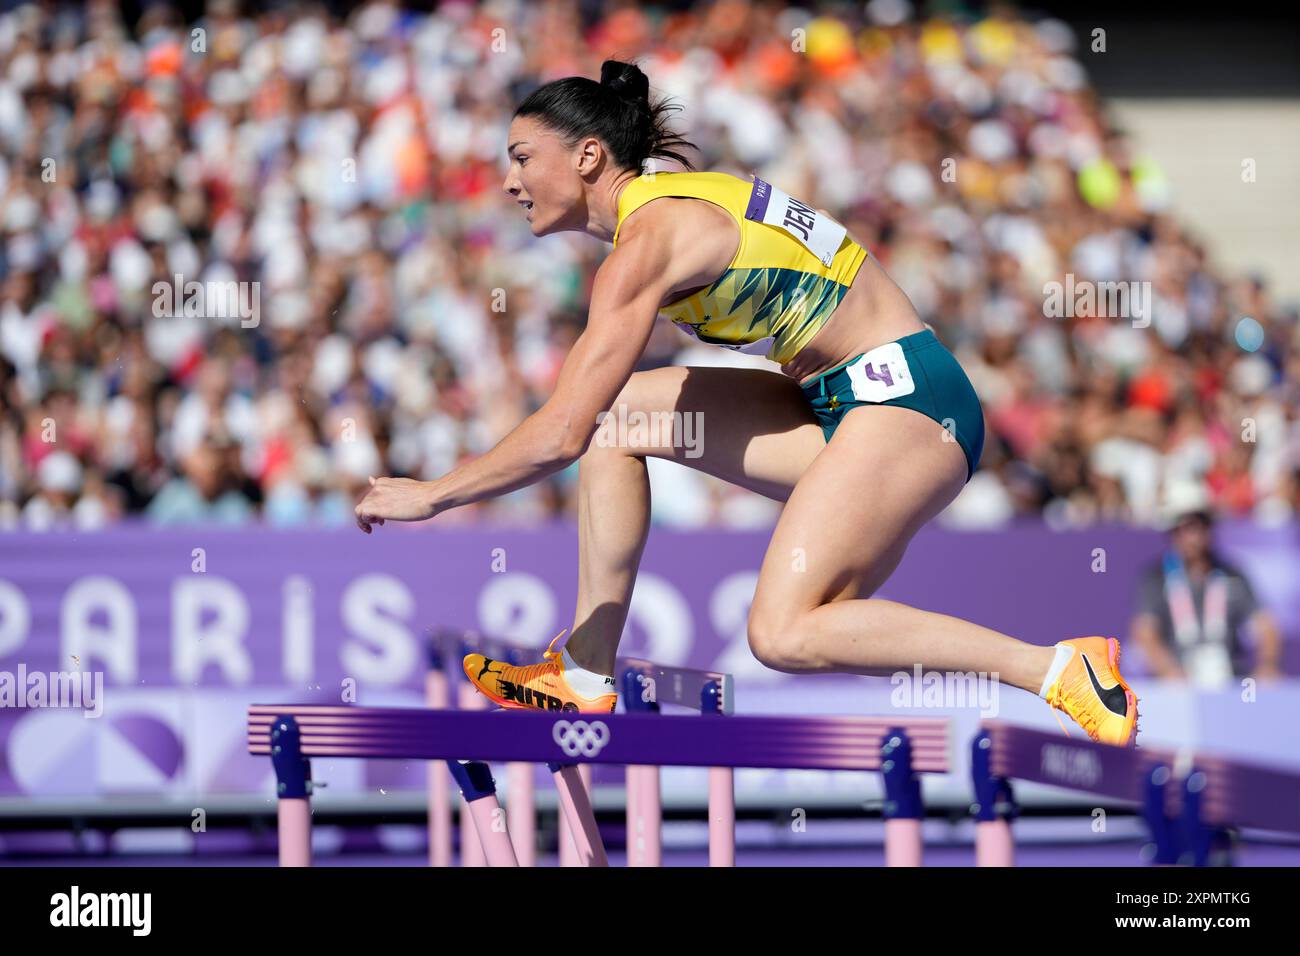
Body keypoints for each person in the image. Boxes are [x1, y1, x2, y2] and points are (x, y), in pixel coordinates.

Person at [354, 60, 1139, 746]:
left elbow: (557, 431)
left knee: (782, 632)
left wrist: (436, 494)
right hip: (841, 403)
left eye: (523, 157)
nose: (508, 181)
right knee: (617, 419)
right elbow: (585, 423)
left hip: (908, 402)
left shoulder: (648, 243)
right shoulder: (665, 210)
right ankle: (585, 672)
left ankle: (1059, 668)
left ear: (588, 155)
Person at [1132, 479, 1283, 687]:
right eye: (1184, 528)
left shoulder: (1232, 574)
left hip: (1229, 682)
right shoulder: (1156, 578)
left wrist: (1267, 665)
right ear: (1173, 533)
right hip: (1178, 685)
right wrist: (1168, 670)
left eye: (1199, 525)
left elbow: (1265, 627)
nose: (1193, 536)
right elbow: (1145, 633)